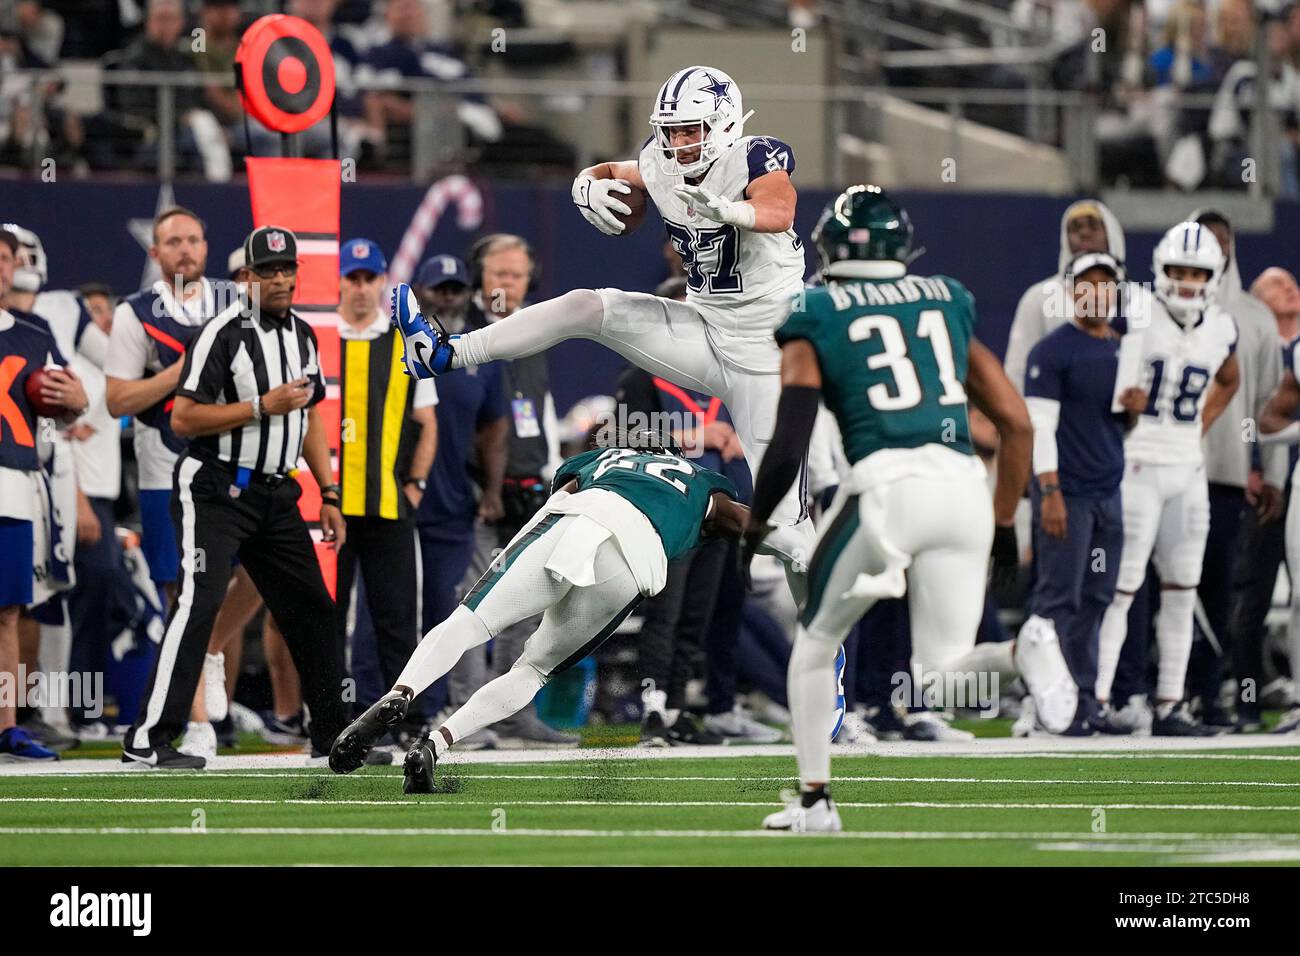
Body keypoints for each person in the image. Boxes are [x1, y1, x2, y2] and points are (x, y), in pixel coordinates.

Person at [392, 66, 816, 591]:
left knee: (789, 524)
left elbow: (780, 206)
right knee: (586, 307)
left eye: (692, 130)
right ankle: (444, 353)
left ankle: (824, 657)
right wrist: (584, 185)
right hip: (703, 329)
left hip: (767, 355)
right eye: (672, 130)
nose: (679, 143)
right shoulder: (661, 158)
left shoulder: (756, 155)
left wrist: (731, 210)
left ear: (724, 123)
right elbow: (617, 170)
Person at [740, 186, 1074, 832]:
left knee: (813, 641)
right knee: (942, 671)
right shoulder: (945, 298)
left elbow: (788, 436)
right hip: (963, 489)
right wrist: (1004, 520)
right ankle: (1020, 652)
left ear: (830, 248)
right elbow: (1015, 422)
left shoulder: (815, 308)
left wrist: (756, 522)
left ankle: (815, 803)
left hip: (889, 489)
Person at [328, 427, 751, 791]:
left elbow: (557, 499)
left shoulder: (601, 459)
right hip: (632, 556)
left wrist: (521, 559)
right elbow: (750, 524)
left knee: (468, 621)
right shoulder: (699, 483)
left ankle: (399, 694)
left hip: (572, 518)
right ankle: (436, 743)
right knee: (532, 670)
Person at [121, 226, 358, 769]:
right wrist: (258, 407)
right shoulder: (221, 332)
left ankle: (333, 737)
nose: (279, 279)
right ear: (244, 278)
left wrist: (328, 490)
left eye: (286, 269)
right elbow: (182, 418)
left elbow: (310, 419)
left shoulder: (302, 335)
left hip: (276, 493)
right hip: (215, 487)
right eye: (267, 270)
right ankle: (149, 736)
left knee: (315, 610)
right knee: (198, 602)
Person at [1095, 221, 1241, 737]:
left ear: (1215, 275)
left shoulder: (1222, 326)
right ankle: (1099, 700)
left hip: (1188, 469)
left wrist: (1201, 424)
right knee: (1122, 589)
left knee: (1183, 589)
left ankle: (1170, 704)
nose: (1185, 281)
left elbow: (1229, 378)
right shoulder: (1135, 310)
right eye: (1178, 270)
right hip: (1136, 463)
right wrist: (1121, 406)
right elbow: (1098, 362)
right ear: (1159, 268)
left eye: (1197, 272)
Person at [1024, 252, 1145, 735]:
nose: (1097, 294)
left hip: (1107, 493)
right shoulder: (1052, 351)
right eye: (1087, 285)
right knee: (1058, 600)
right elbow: (1040, 428)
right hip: (1068, 494)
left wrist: (1134, 411)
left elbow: (1115, 429)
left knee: (1096, 597)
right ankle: (1047, 707)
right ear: (1071, 291)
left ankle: (1086, 702)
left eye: (1106, 285)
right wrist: (1049, 491)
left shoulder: (1122, 349)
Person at [1186, 209, 1287, 728]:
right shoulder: (1158, 311)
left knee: (1220, 589)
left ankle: (1211, 692)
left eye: (1221, 241)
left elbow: (1272, 402)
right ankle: (1153, 695)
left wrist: (1271, 473)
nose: (1212, 249)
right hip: (1165, 471)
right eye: (1202, 239)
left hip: (1225, 475)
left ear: (1231, 248)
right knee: (1162, 586)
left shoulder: (1254, 316)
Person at [334, 238, 437, 744]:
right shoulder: (318, 338)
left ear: (380, 282)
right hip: (331, 505)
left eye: (368, 278)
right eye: (352, 278)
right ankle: (331, 714)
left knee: (396, 616)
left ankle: (405, 720)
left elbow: (426, 420)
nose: (360, 288)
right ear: (339, 283)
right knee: (329, 616)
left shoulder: (403, 341)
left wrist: (414, 483)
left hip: (388, 502)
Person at [0, 228, 88, 760]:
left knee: (9, 612)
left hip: (13, 481)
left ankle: (6, 726)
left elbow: (70, 405)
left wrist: (75, 401)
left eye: (4, 259)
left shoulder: (35, 334)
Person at [1232, 267, 1300, 731]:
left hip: (1287, 484)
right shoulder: (1253, 343)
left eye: (1290, 281)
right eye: (1275, 284)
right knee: (1266, 598)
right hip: (1271, 489)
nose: (1289, 286)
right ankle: (1248, 699)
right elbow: (1262, 421)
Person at [1004, 200, 1125, 393]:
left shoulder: (1140, 299)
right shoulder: (1039, 296)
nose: (1084, 233)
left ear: (1112, 234)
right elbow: (1017, 369)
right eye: (1075, 228)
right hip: (1051, 410)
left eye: (1093, 226)